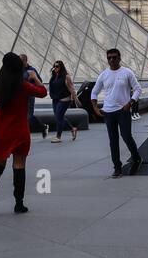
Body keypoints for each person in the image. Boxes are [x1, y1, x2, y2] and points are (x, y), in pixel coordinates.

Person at [0, 53, 46, 215]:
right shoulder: (23, 85)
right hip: (19, 129)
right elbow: (42, 92)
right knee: (19, 165)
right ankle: (19, 203)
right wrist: (35, 78)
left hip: (1, 129)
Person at [90, 48, 142, 178]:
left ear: (120, 58)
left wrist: (130, 103)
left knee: (126, 136)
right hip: (108, 112)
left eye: (114, 57)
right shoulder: (103, 75)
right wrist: (95, 108)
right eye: (109, 58)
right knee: (113, 141)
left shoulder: (127, 72)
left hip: (123, 111)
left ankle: (136, 157)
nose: (112, 60)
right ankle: (117, 167)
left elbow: (137, 89)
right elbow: (94, 92)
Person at [47, 60, 78, 142]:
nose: (55, 68)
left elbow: (72, 88)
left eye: (57, 66)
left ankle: (58, 137)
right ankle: (72, 128)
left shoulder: (66, 76)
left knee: (59, 117)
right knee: (59, 117)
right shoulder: (53, 76)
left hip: (64, 99)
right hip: (55, 99)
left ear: (61, 67)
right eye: (54, 66)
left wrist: (75, 99)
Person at [20, 54, 46, 139]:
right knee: (26, 115)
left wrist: (31, 82)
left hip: (30, 96)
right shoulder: (18, 69)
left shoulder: (32, 70)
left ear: (25, 61)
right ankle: (42, 126)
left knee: (29, 116)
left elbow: (39, 81)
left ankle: (42, 127)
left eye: (21, 61)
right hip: (20, 96)